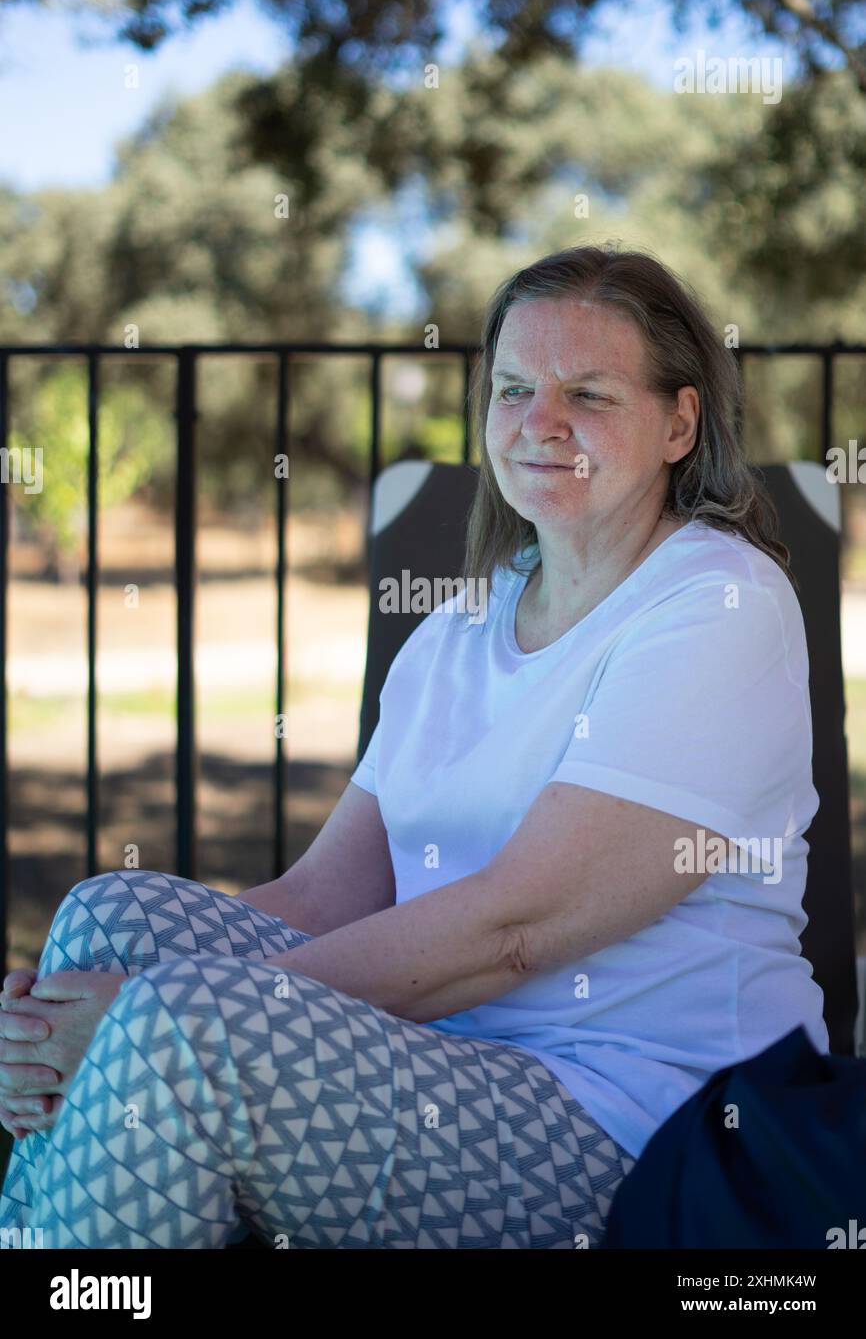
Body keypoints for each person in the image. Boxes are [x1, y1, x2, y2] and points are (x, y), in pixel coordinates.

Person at [0, 244, 829, 1249]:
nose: (541, 420)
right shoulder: (456, 632)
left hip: (642, 1120)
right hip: (443, 1062)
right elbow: (315, 904)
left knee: (181, 1030)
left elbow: (514, 928)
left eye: (590, 393)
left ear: (678, 422)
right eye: (514, 387)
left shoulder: (715, 603)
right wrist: (59, 1020)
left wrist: (147, 1016)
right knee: (109, 915)